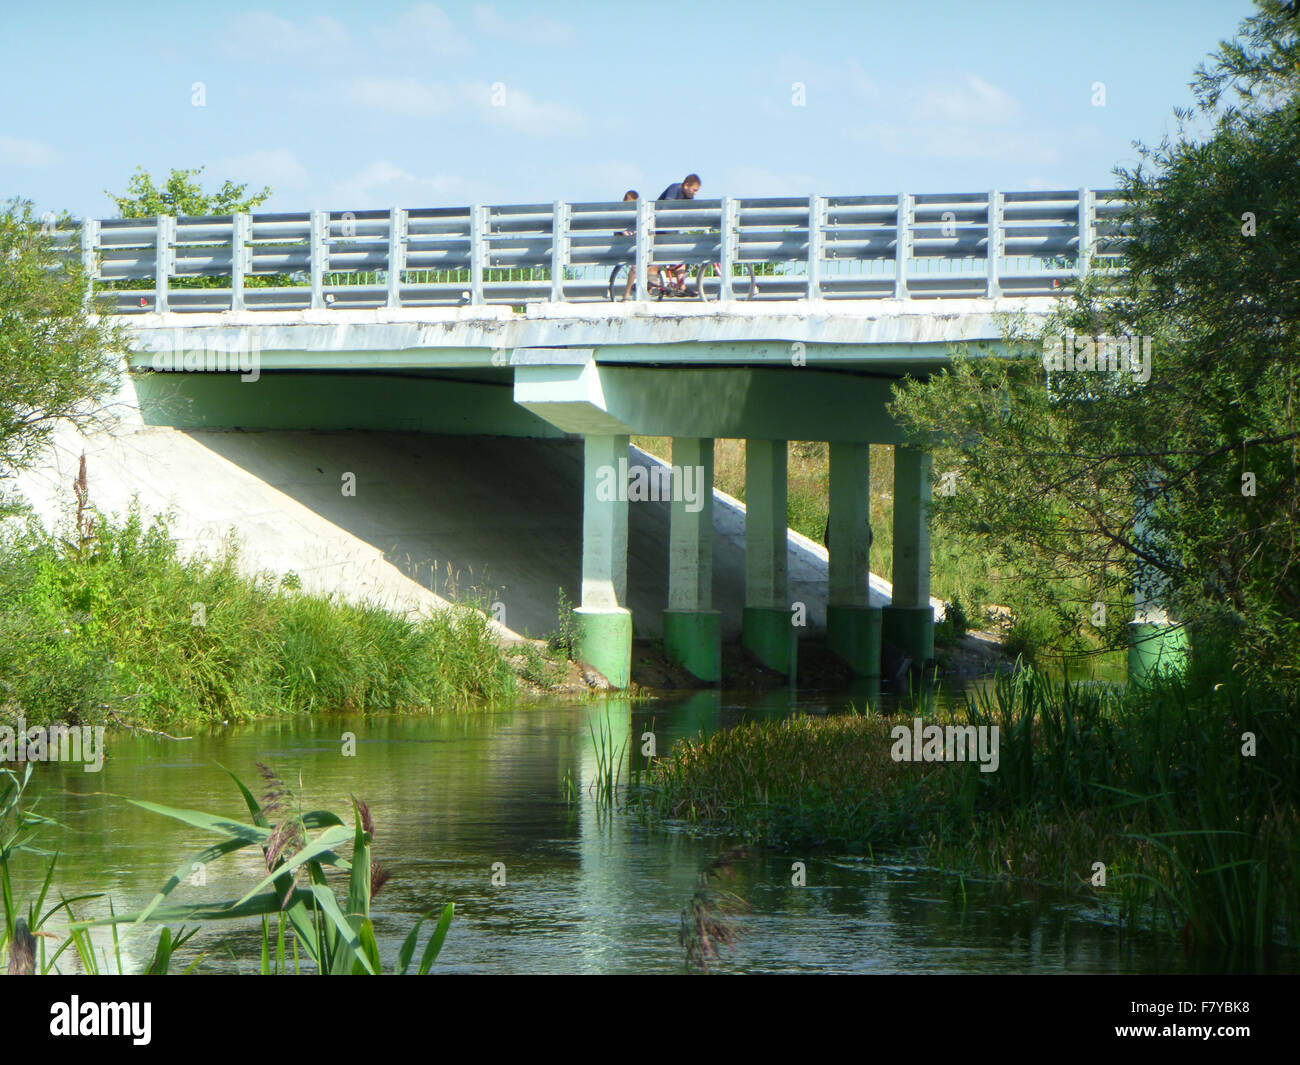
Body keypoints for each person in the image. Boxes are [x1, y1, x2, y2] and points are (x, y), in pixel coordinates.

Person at [657, 175, 702, 291]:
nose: (695, 194)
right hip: (659, 226)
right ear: (686, 186)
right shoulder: (675, 188)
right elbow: (667, 207)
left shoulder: (689, 197)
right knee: (673, 255)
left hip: (672, 228)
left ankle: (681, 286)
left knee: (680, 257)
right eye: (694, 190)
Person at [619, 190, 639, 299]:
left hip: (634, 246)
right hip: (624, 247)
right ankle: (626, 293)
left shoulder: (636, 216)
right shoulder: (620, 216)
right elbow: (621, 232)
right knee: (636, 266)